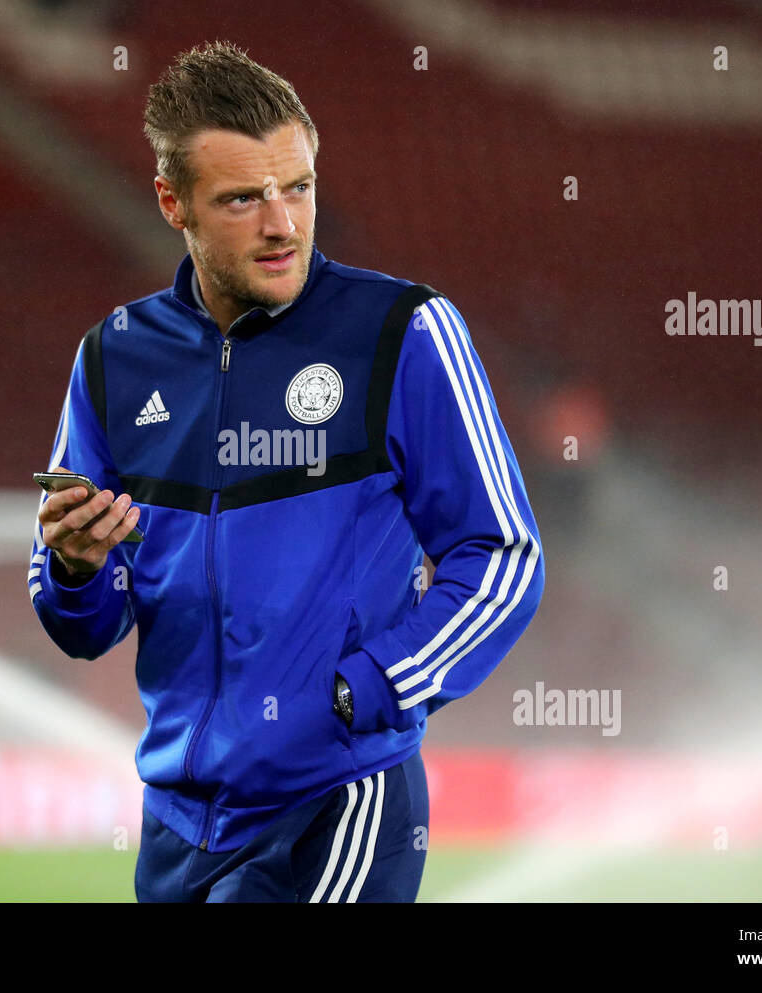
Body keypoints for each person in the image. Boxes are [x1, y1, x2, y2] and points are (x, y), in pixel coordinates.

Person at [27, 41, 544, 902]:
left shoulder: (403, 332)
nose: (284, 225)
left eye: (297, 187)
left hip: (335, 805)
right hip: (178, 823)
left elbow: (504, 557)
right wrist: (77, 571)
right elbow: (85, 620)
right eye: (242, 199)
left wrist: (368, 689)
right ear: (172, 202)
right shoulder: (115, 358)